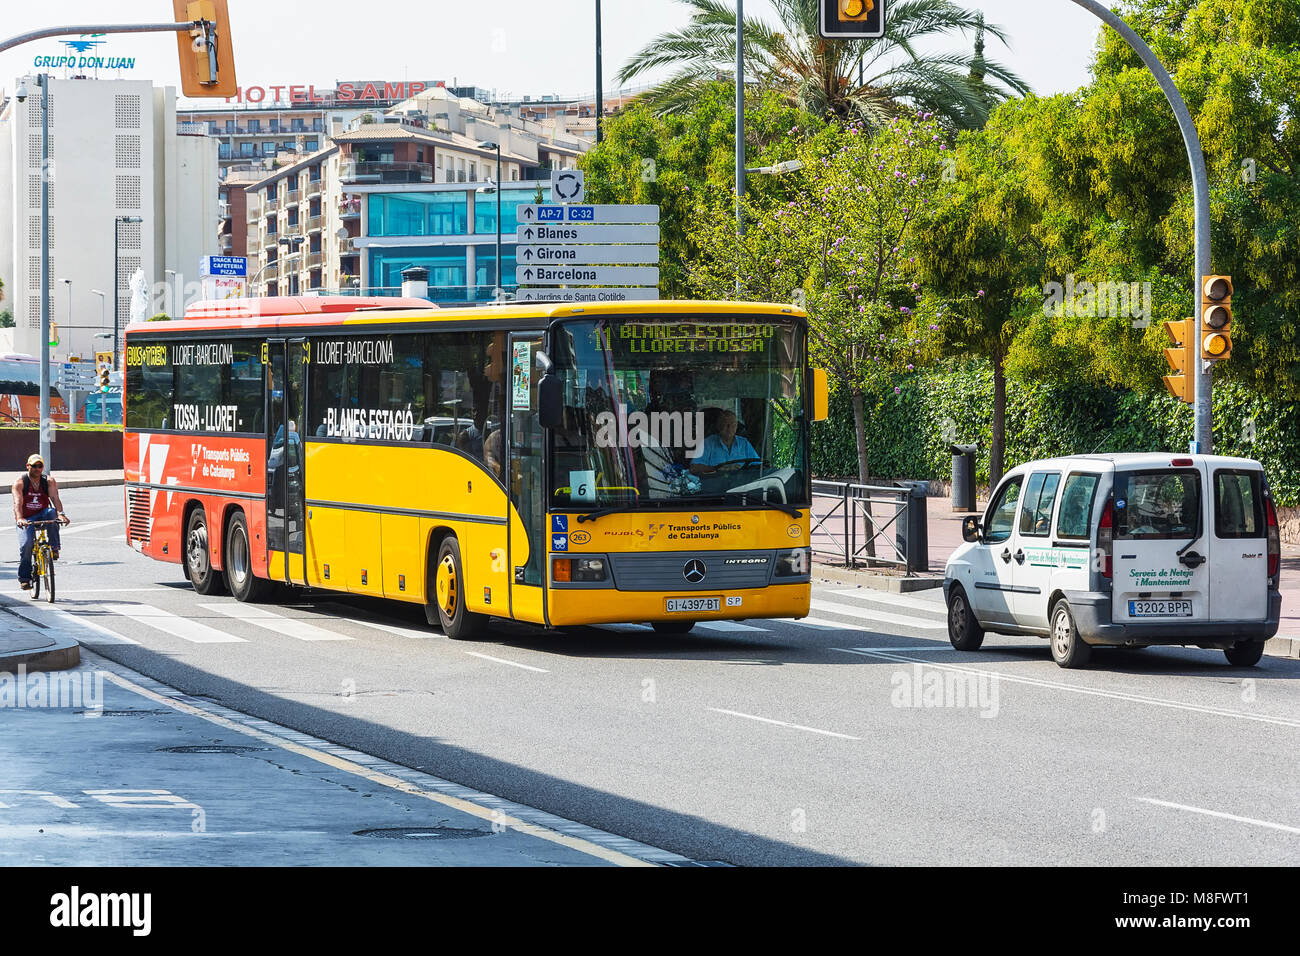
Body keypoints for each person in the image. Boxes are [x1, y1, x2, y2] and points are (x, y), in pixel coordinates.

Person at [12, 454, 70, 590]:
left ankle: (54, 548)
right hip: (26, 519)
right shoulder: (20, 483)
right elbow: (17, 503)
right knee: (26, 546)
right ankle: (25, 578)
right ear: (28, 466)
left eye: (40, 466)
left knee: (52, 513)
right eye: (34, 466)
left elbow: (55, 498)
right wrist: (20, 519)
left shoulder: (48, 481)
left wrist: (61, 514)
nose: (37, 469)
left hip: (43, 514)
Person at [690, 410, 760, 475]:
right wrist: (717, 468)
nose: (729, 428)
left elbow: (758, 464)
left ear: (736, 427)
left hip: (740, 485)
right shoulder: (707, 443)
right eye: (725, 424)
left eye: (733, 425)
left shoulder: (744, 443)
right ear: (718, 426)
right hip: (715, 484)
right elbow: (694, 468)